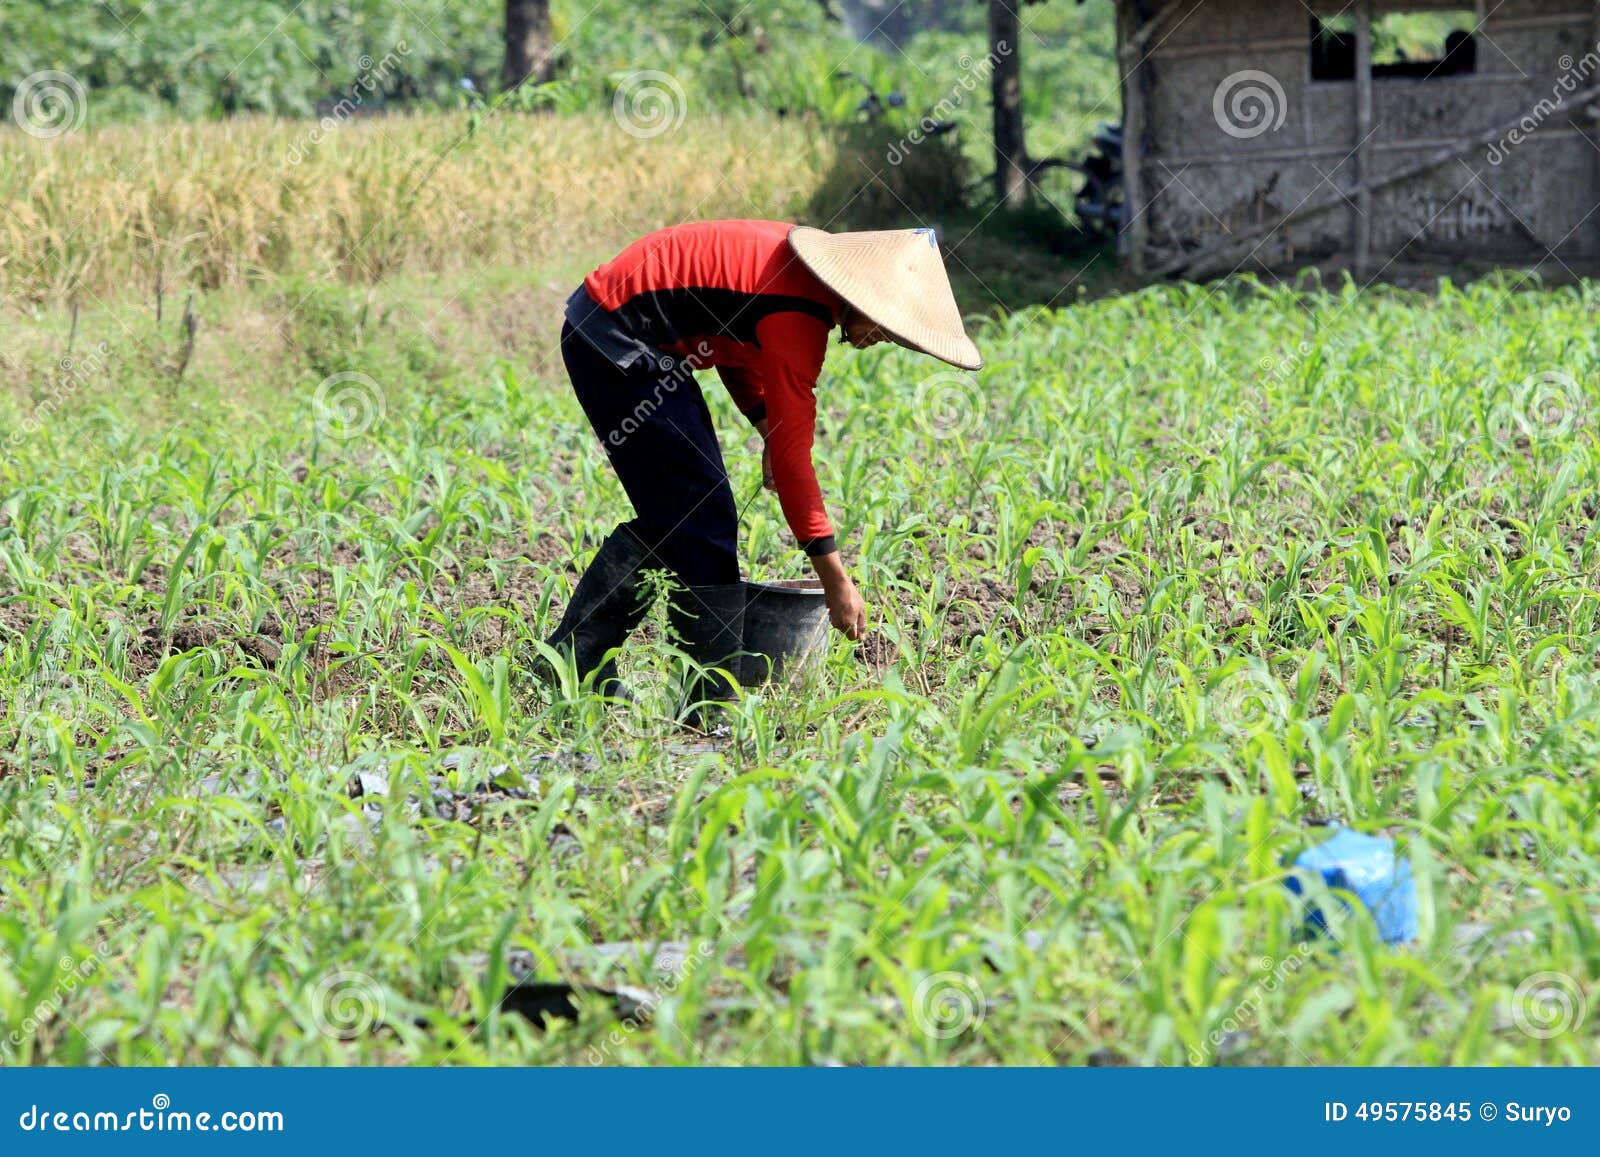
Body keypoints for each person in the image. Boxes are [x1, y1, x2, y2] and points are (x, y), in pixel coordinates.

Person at [545, 219, 982, 716]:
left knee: (685, 513)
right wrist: (836, 580)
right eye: (887, 325)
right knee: (700, 513)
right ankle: (708, 705)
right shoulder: (799, 314)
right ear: (862, 296)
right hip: (614, 339)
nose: (883, 338)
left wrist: (767, 428)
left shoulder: (796, 283)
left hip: (619, 331)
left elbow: (726, 342)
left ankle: (575, 662)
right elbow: (795, 464)